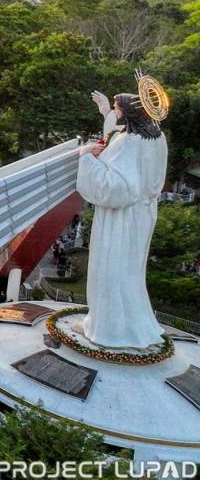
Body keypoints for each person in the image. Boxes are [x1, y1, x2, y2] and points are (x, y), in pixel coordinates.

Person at [77, 81, 169, 350]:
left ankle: (109, 330)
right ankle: (129, 326)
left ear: (128, 113)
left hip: (120, 220)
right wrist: (105, 112)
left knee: (111, 270)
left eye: (117, 108)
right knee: (129, 272)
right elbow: (117, 134)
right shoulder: (156, 137)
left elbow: (117, 188)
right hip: (141, 216)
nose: (115, 112)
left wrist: (86, 158)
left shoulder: (128, 143)